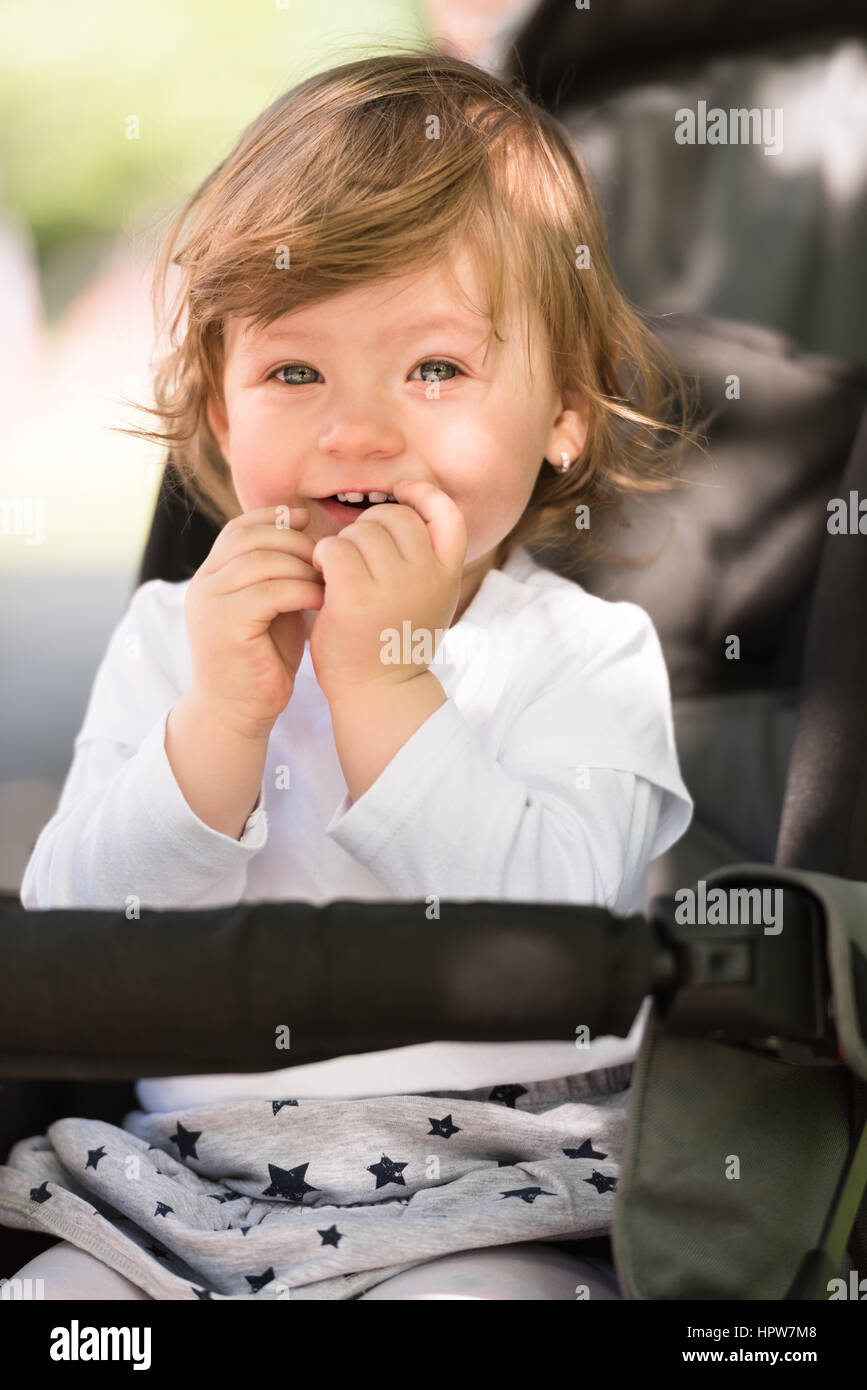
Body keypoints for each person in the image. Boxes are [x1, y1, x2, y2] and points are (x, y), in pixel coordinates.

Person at [2, 46, 694, 1300]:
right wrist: (218, 724)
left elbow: (567, 946)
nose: (355, 427)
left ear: (563, 415)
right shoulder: (176, 636)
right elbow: (74, 951)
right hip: (181, 1193)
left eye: (434, 368)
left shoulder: (588, 657)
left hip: (501, 1195)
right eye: (292, 371)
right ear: (221, 414)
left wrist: (388, 684)